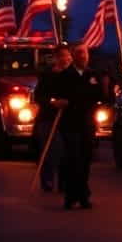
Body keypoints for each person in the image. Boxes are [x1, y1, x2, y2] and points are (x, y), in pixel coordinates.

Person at [54, 43, 103, 210]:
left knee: (85, 160)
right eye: (79, 53)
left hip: (87, 124)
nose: (83, 56)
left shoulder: (92, 75)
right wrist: (57, 102)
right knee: (72, 160)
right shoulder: (65, 75)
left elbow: (100, 96)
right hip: (70, 124)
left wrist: (109, 86)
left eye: (85, 52)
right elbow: (54, 96)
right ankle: (71, 195)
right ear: (73, 55)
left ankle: (83, 195)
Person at [33, 45, 72, 192]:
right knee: (50, 150)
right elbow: (39, 96)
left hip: (67, 119)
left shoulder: (73, 75)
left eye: (68, 55)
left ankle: (63, 182)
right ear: (55, 58)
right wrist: (52, 102)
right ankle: (47, 180)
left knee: (66, 151)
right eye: (62, 55)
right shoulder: (47, 75)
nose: (65, 59)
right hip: (48, 118)